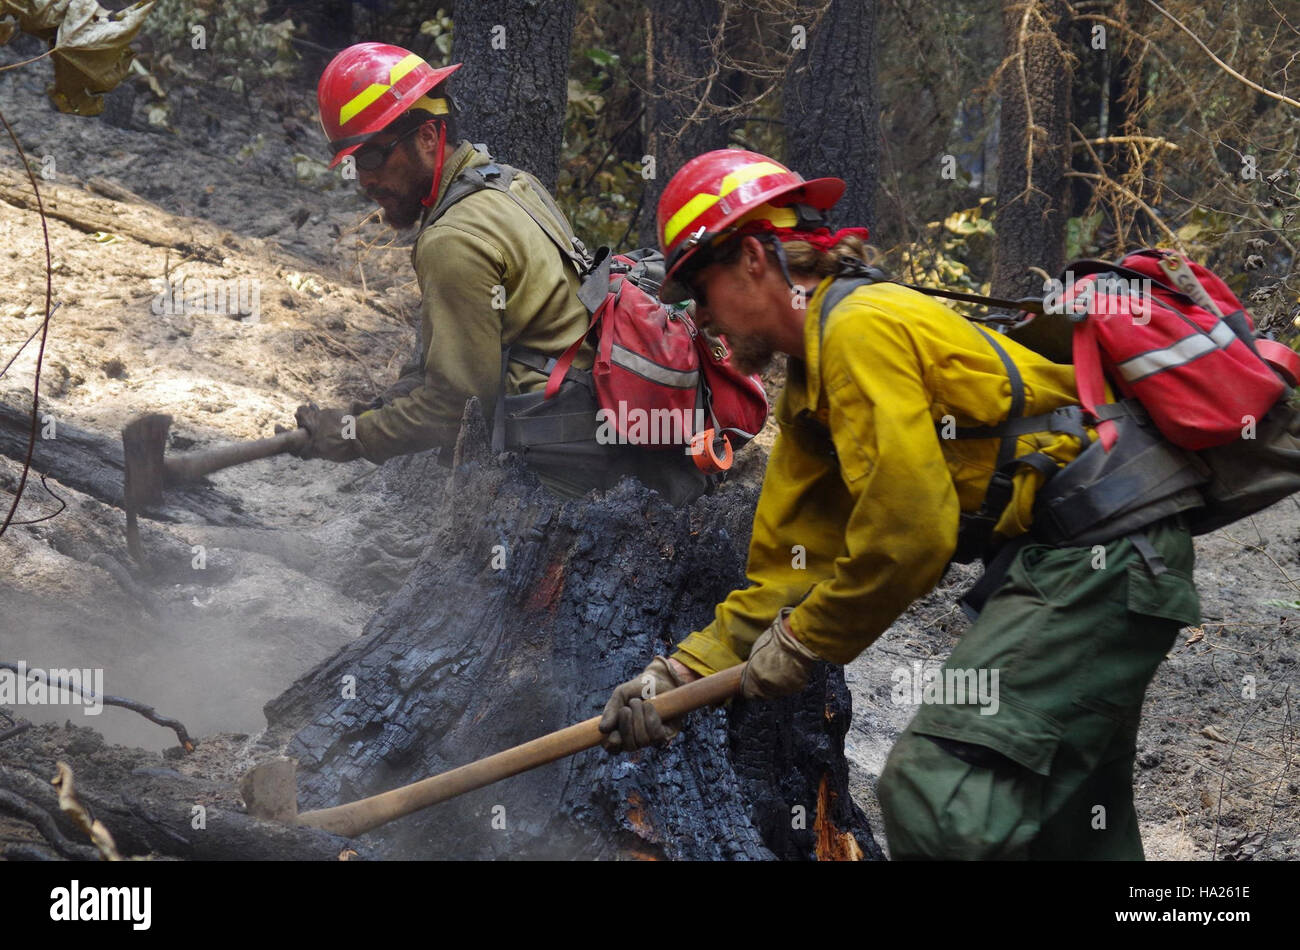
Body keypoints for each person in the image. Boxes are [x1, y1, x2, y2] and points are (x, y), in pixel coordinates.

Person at [598, 148, 1201, 860]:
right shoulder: (811, 384)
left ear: (754, 259)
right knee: (1079, 832)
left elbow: (910, 532)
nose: (701, 318)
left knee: (931, 790)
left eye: (700, 290)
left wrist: (805, 640)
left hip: (1099, 553)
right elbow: (792, 568)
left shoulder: (860, 331)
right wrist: (678, 674)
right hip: (1085, 556)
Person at [296, 43, 710, 501]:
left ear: (429, 137)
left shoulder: (453, 240)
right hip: (600, 425)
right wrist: (369, 413)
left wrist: (353, 436)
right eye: (354, 164)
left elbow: (454, 408)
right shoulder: (509, 183)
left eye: (373, 158)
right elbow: (450, 364)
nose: (365, 180)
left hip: (559, 469)